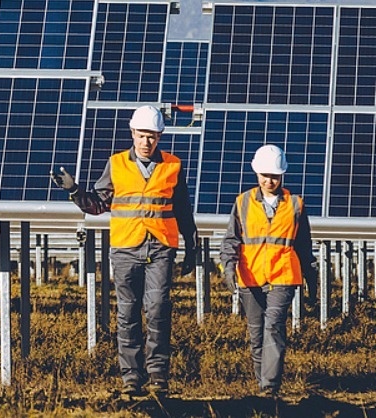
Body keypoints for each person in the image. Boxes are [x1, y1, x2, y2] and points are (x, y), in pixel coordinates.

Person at [50, 105, 198, 396]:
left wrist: (191, 245)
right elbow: (99, 204)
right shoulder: (116, 164)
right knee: (128, 313)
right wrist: (75, 192)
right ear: (132, 133)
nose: (147, 142)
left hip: (160, 246)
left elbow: (182, 208)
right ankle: (132, 377)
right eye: (142, 135)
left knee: (157, 310)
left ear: (160, 137)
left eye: (152, 137)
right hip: (125, 247)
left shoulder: (173, 165)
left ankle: (158, 376)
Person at [219, 144, 317, 398]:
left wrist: (312, 279)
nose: (269, 180)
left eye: (274, 175)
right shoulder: (242, 202)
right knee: (256, 333)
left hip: (283, 276)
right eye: (265, 175)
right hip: (250, 276)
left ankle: (269, 387)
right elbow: (231, 240)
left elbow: (304, 245)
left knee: (273, 326)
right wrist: (228, 267)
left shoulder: (295, 205)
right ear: (256, 174)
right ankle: (263, 384)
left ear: (282, 175)